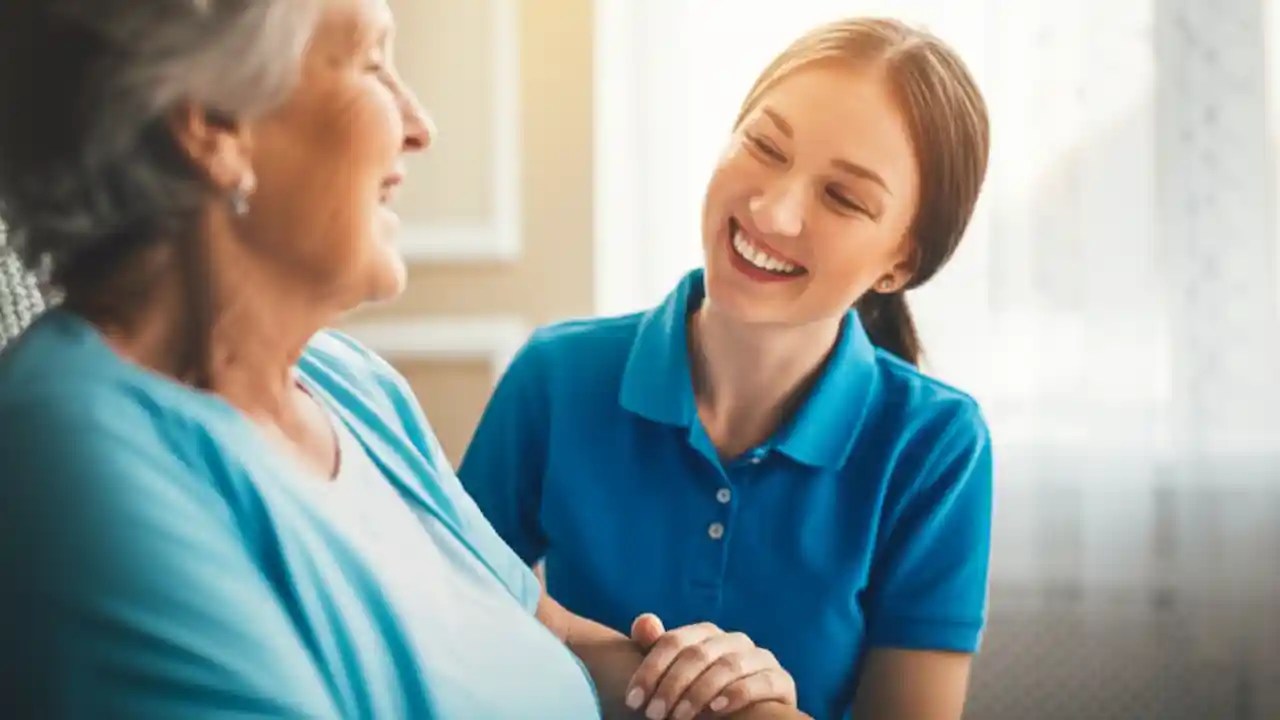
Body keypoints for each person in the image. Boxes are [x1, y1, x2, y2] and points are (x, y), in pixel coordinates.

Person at [0, 1, 806, 718]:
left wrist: (720, 689)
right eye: (372, 63)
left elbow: (555, 641)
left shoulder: (352, 386)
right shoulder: (68, 450)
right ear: (213, 123)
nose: (418, 124)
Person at [458, 16, 994, 720]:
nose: (773, 210)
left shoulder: (937, 447)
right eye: (765, 146)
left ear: (900, 262)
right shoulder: (554, 378)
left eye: (843, 197)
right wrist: (651, 675)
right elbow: (450, 629)